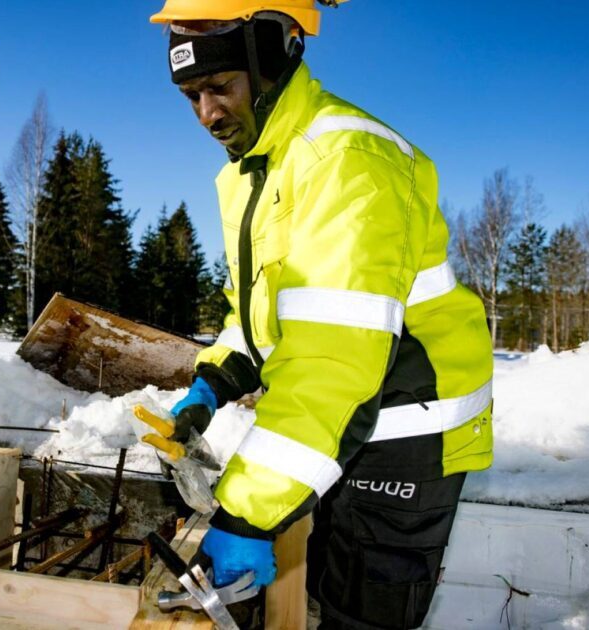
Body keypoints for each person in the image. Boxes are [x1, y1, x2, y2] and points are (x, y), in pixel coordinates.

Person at [148, 1, 495, 628]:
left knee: (361, 615)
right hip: (343, 425)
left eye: (220, 88)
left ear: (275, 61)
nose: (207, 114)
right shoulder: (253, 170)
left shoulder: (347, 160)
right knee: (327, 588)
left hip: (405, 428)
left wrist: (247, 512)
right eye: (190, 95)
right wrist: (214, 381)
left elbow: (334, 357)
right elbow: (264, 313)